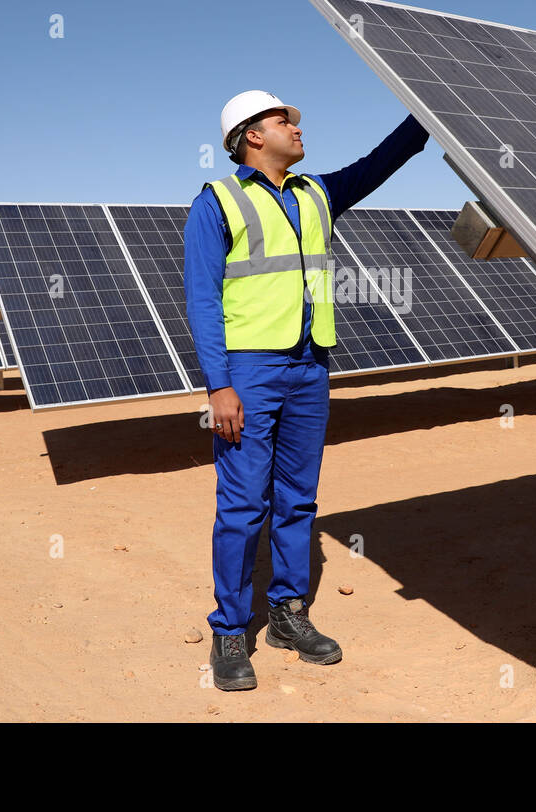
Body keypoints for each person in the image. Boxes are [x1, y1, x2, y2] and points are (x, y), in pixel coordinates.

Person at [184, 90, 429, 691]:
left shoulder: (315, 193)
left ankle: (288, 615)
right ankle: (229, 631)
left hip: (310, 369)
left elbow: (376, 165)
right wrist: (219, 386)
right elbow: (201, 299)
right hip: (248, 373)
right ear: (251, 137)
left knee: (298, 500)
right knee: (243, 507)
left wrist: (428, 113)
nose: (297, 129)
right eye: (282, 121)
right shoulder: (217, 203)